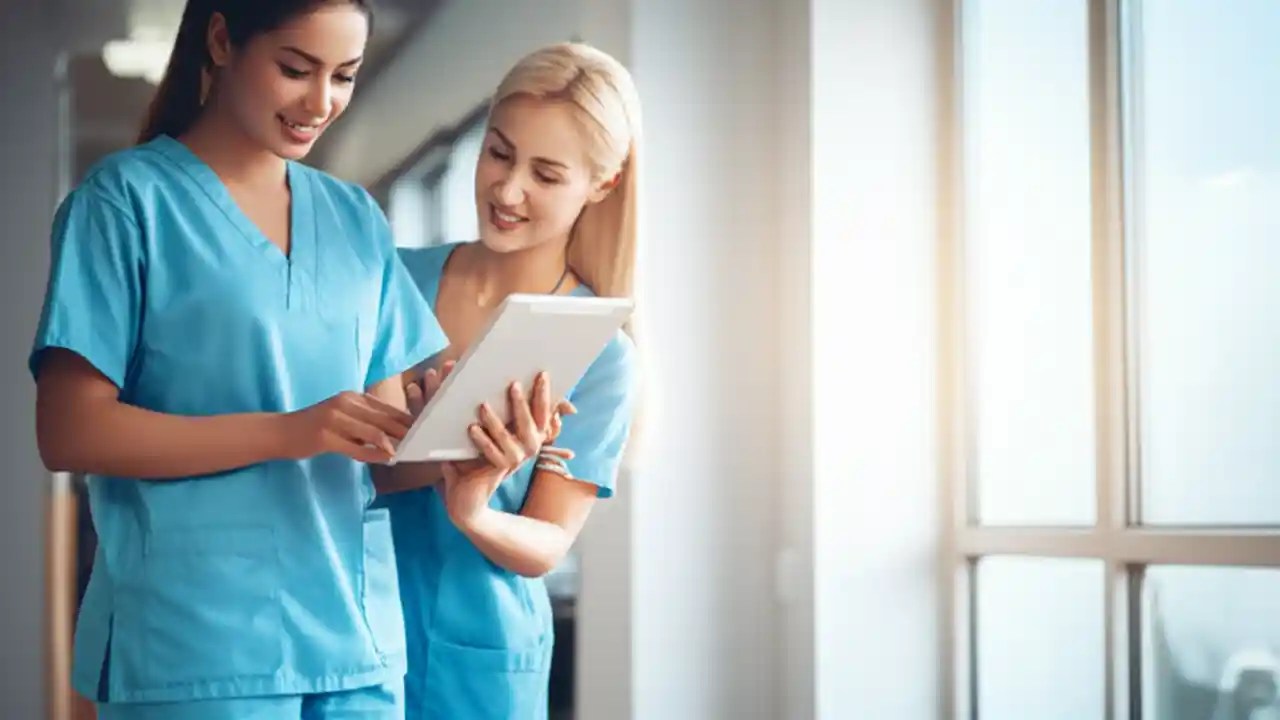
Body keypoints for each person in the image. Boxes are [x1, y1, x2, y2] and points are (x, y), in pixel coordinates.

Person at [30, 1, 556, 717]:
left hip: (356, 647)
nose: (321, 102)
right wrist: (290, 431)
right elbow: (69, 430)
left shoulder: (356, 219)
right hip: (198, 645)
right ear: (222, 40)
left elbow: (378, 449)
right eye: (296, 69)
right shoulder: (125, 202)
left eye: (344, 76)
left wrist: (474, 445)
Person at [379, 42, 643, 719]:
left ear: (602, 184)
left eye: (546, 174)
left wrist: (473, 509)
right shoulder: (390, 278)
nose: (507, 190)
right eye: (499, 153)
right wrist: (432, 454)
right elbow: (325, 462)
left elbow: (547, 542)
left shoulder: (600, 352)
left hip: (478, 660)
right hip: (352, 626)